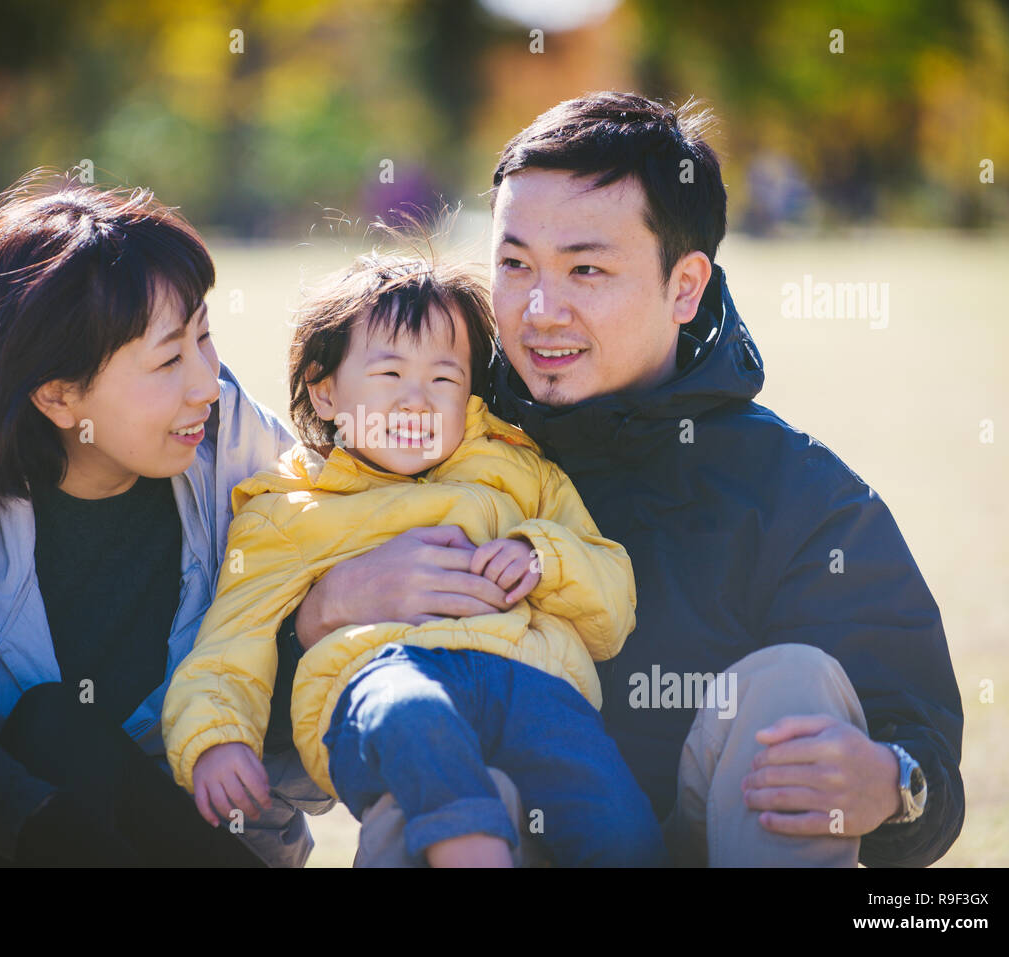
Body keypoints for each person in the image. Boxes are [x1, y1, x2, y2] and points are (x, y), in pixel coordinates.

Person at [284, 93, 966, 867]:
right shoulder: (419, 435)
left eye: (586, 269)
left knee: (791, 682)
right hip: (503, 834)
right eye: (514, 264)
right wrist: (326, 607)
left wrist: (894, 782)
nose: (540, 310)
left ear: (685, 285)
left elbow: (923, 753)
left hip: (717, 833)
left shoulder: (798, 491)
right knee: (426, 800)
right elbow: (241, 694)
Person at [0, 172, 332, 867]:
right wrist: (42, 826)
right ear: (58, 397)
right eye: (169, 357)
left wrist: (332, 608)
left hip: (195, 840)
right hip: (31, 835)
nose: (206, 381)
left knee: (52, 727)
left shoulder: (246, 466)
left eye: (204, 335)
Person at [162, 253, 665, 867]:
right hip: (378, 683)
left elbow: (614, 602)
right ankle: (472, 853)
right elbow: (232, 639)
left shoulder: (521, 473)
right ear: (325, 392)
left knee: (617, 820)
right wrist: (216, 738)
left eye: (444, 380)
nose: (417, 402)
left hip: (531, 684)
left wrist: (543, 557)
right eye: (390, 374)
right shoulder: (287, 512)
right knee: (413, 715)